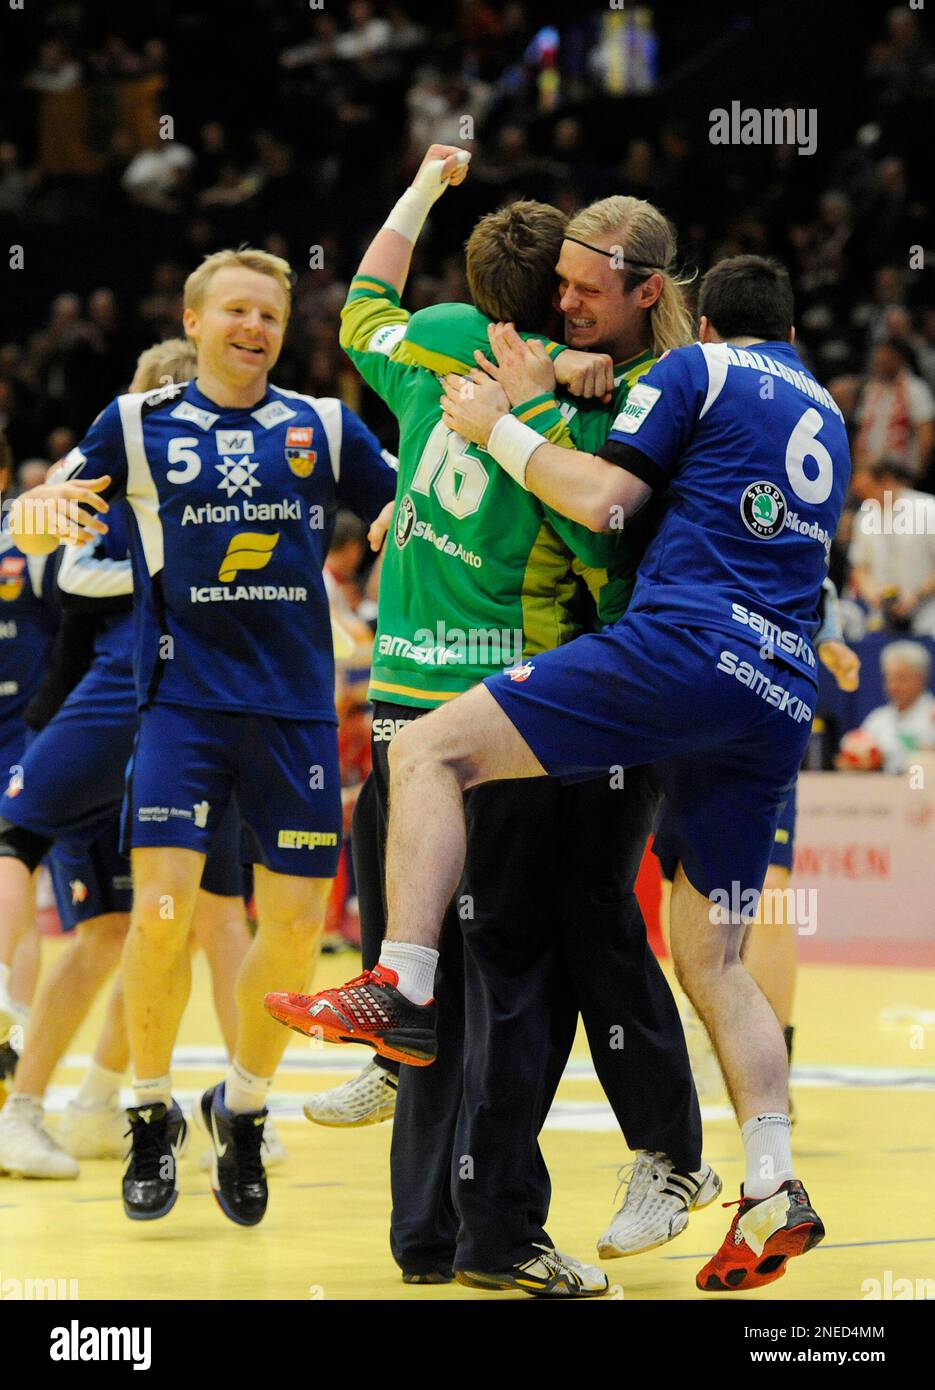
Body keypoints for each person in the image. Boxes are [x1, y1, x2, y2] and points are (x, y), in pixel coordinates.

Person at [283, 253, 851, 1293]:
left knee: (428, 755)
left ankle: (399, 991)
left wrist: (502, 420)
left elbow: (605, 500)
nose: (574, 310)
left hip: (674, 652)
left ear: (693, 313)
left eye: (589, 288)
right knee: (708, 959)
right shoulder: (823, 410)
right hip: (771, 694)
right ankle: (768, 1182)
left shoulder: (690, 372)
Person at [272, 154, 718, 1294]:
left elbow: (366, 298)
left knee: (426, 994)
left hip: (397, 728)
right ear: (551, 294)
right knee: (517, 982)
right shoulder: (586, 403)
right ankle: (500, 1231)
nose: (572, 302)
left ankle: (426, 1229)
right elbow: (606, 547)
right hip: (502, 732)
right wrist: (526, 421)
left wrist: (420, 186)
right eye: (562, 285)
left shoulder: (434, 349)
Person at [10, 250, 397, 1224]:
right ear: (193, 321)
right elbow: (40, 514)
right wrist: (40, 514)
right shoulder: (134, 426)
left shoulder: (322, 424)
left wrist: (406, 524)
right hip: (181, 705)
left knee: (296, 926)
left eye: (269, 313)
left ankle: (244, 1105)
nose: (254, 326)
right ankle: (148, 1112)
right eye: (234, 309)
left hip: (298, 710)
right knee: (165, 912)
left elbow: (400, 504)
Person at [0, 341, 281, 1179]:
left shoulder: (164, 470)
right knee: (152, 919)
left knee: (162, 918)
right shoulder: (104, 481)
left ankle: (97, 1101)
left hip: (167, 704)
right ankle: (39, 1083)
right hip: (132, 702)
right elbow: (56, 560)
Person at [858, 640, 935, 771]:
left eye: (901, 679)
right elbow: (854, 753)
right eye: (889, 678)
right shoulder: (878, 718)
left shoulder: (931, 715)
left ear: (921, 679)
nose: (893, 687)